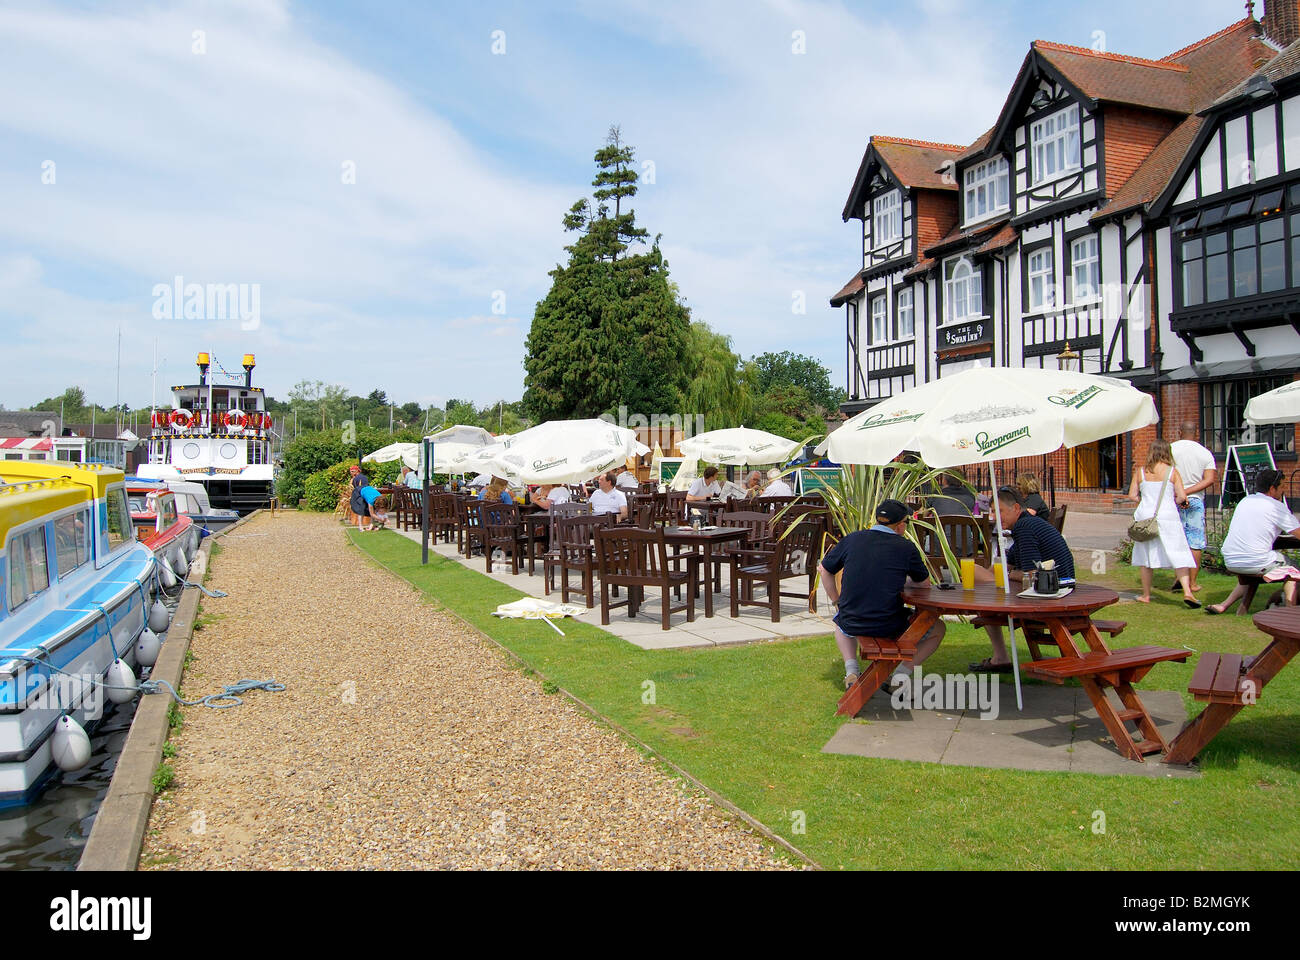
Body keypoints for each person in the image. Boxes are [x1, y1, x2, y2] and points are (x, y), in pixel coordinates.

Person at [818, 499, 945, 691]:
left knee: (840, 621)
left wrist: (836, 601)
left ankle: (851, 671)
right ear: (900, 525)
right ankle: (899, 677)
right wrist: (902, 581)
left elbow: (824, 570)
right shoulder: (906, 547)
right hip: (888, 624)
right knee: (938, 628)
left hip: (851, 621)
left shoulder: (853, 539)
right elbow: (924, 584)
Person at [971, 486, 1076, 671]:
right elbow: (1005, 565)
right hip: (1062, 591)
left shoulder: (1024, 527)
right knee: (976, 574)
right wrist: (990, 574)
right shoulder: (1029, 524)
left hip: (1052, 596)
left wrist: (1004, 576)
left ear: (1016, 508)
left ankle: (1000, 657)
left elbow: (1031, 575)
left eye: (999, 511)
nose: (995, 517)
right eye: (992, 512)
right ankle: (1000, 658)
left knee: (983, 596)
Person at [1206, 469, 1300, 614]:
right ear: (1272, 488)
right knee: (1293, 568)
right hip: (1255, 561)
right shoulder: (1275, 506)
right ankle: (1290, 611)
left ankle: (1223, 605)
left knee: (1252, 568)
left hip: (1231, 560)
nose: (1283, 491)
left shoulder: (1246, 500)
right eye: (1282, 487)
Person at [1122, 439, 1199, 607]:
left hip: (1145, 517)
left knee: (1145, 557)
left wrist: (1144, 501)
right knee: (1178, 552)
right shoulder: (1172, 472)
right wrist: (1175, 501)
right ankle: (1187, 592)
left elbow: (1132, 495)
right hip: (1167, 515)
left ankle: (1146, 595)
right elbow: (1181, 496)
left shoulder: (1141, 472)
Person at [1170, 421, 1218, 593]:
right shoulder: (1204, 452)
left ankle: (1179, 577)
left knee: (1178, 540)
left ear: (1179, 432)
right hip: (1195, 499)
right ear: (1196, 433)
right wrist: (1188, 491)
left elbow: (1164, 474)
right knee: (1195, 541)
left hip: (1174, 498)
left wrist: (1180, 492)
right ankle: (1192, 582)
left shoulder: (1171, 449)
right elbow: (1209, 479)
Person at [348, 464, 369, 530]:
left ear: (357, 471)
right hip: (366, 494)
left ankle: (360, 525)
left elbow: (355, 489)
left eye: (352, 471)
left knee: (360, 509)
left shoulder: (355, 479)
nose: (351, 473)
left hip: (359, 495)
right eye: (351, 472)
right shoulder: (365, 477)